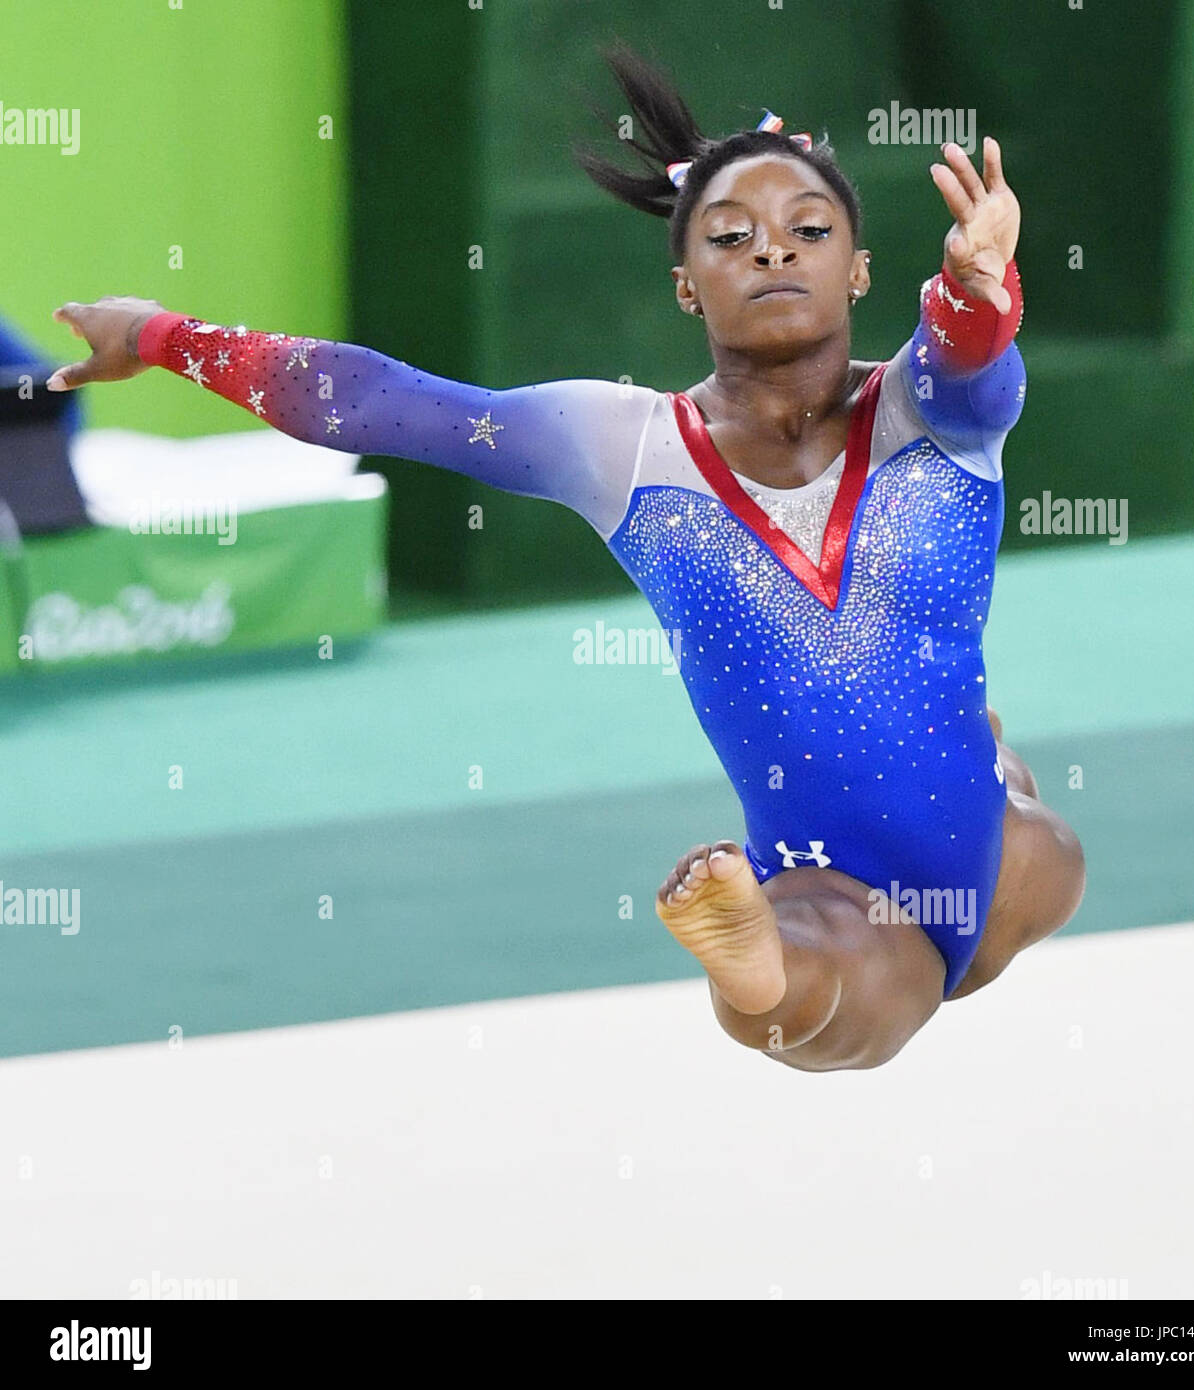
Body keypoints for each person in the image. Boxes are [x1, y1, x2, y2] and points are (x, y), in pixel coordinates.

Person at [47, 43, 1084, 1071]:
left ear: (856, 269)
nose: (772, 252)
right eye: (731, 237)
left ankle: (953, 806)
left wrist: (971, 284)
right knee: (834, 997)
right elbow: (382, 402)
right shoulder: (626, 447)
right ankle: (755, 964)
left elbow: (971, 361)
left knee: (1042, 847)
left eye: (806, 231)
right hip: (827, 882)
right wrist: (162, 335)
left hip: (1001, 862)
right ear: (686, 286)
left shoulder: (931, 418)